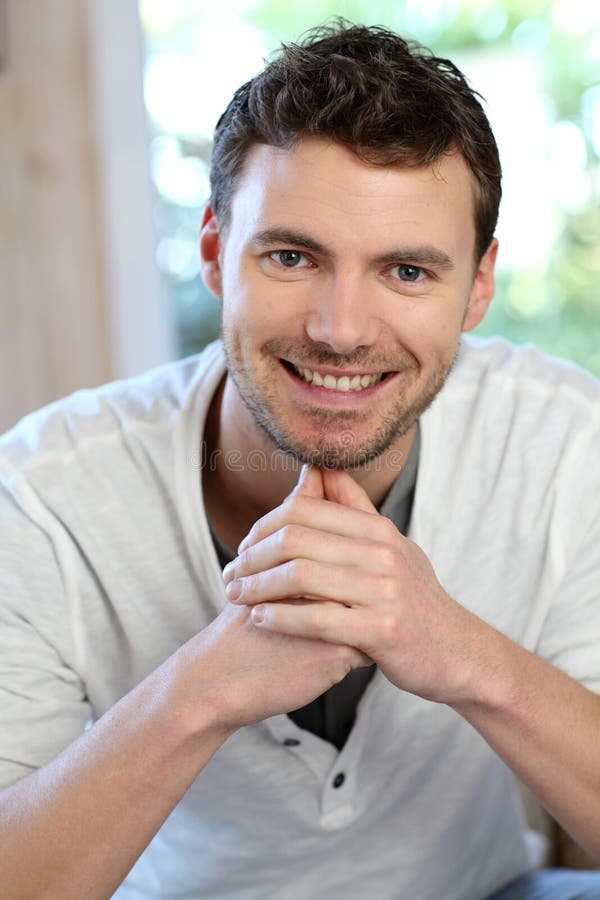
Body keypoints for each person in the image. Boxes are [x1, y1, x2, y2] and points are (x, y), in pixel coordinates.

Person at [0, 20, 598, 900]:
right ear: (213, 253)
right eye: (290, 256)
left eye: (406, 272)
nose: (341, 331)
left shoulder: (563, 438)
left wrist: (462, 653)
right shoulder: (42, 494)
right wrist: (200, 691)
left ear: (477, 286)